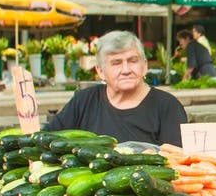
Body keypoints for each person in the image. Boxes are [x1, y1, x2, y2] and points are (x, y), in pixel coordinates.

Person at [45, 30, 185, 146]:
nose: (126, 70)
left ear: (145, 66)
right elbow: (48, 138)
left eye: (132, 61)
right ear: (100, 71)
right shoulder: (83, 101)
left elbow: (177, 162)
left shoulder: (168, 107)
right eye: (116, 63)